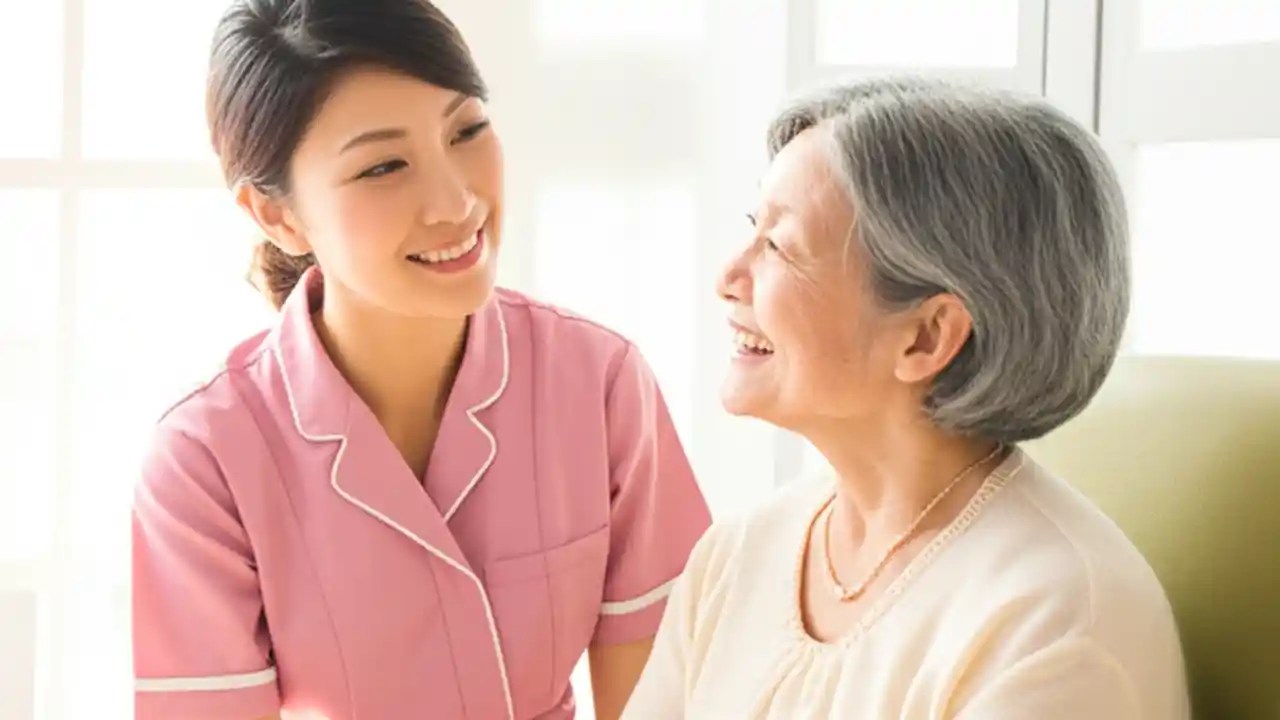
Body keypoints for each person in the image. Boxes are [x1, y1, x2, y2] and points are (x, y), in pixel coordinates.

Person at [130, 1, 711, 718]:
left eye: (467, 130)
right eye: (382, 166)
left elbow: (665, 702)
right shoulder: (206, 459)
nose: (455, 201)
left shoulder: (599, 385)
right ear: (276, 216)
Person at [623, 77, 1190, 719]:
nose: (728, 278)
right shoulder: (736, 557)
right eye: (755, 227)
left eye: (779, 246)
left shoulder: (1055, 622)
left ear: (926, 336)